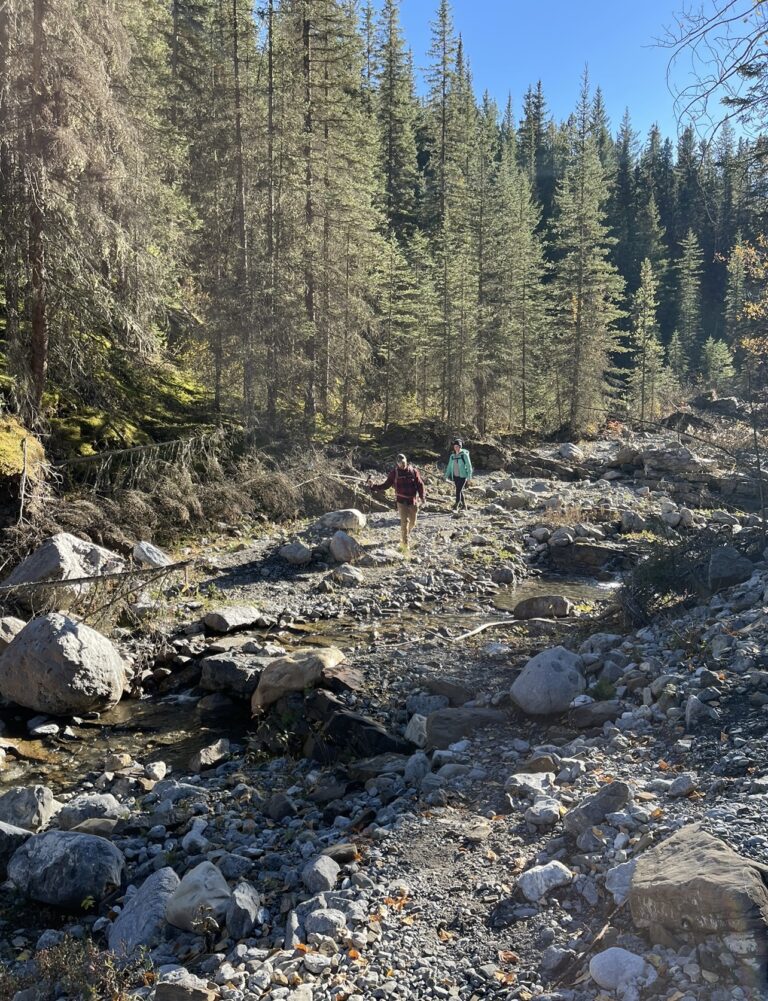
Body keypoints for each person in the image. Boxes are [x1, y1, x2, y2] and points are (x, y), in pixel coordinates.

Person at [368, 453, 425, 550]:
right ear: (397, 463)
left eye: (403, 462)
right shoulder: (394, 473)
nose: (402, 464)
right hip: (401, 501)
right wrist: (373, 486)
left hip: (413, 500)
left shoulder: (413, 471)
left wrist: (422, 496)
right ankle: (405, 544)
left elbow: (420, 484)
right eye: (400, 463)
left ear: (406, 461)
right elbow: (386, 485)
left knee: (413, 522)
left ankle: (406, 534)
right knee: (404, 522)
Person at [444, 438, 473, 511]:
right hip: (455, 476)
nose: (456, 448)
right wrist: (445, 476)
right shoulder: (452, 456)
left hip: (463, 476)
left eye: (457, 446)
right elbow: (449, 466)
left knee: (458, 490)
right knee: (460, 490)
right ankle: (464, 505)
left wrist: (469, 477)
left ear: (460, 447)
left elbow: (469, 466)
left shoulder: (464, 455)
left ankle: (456, 504)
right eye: (455, 446)